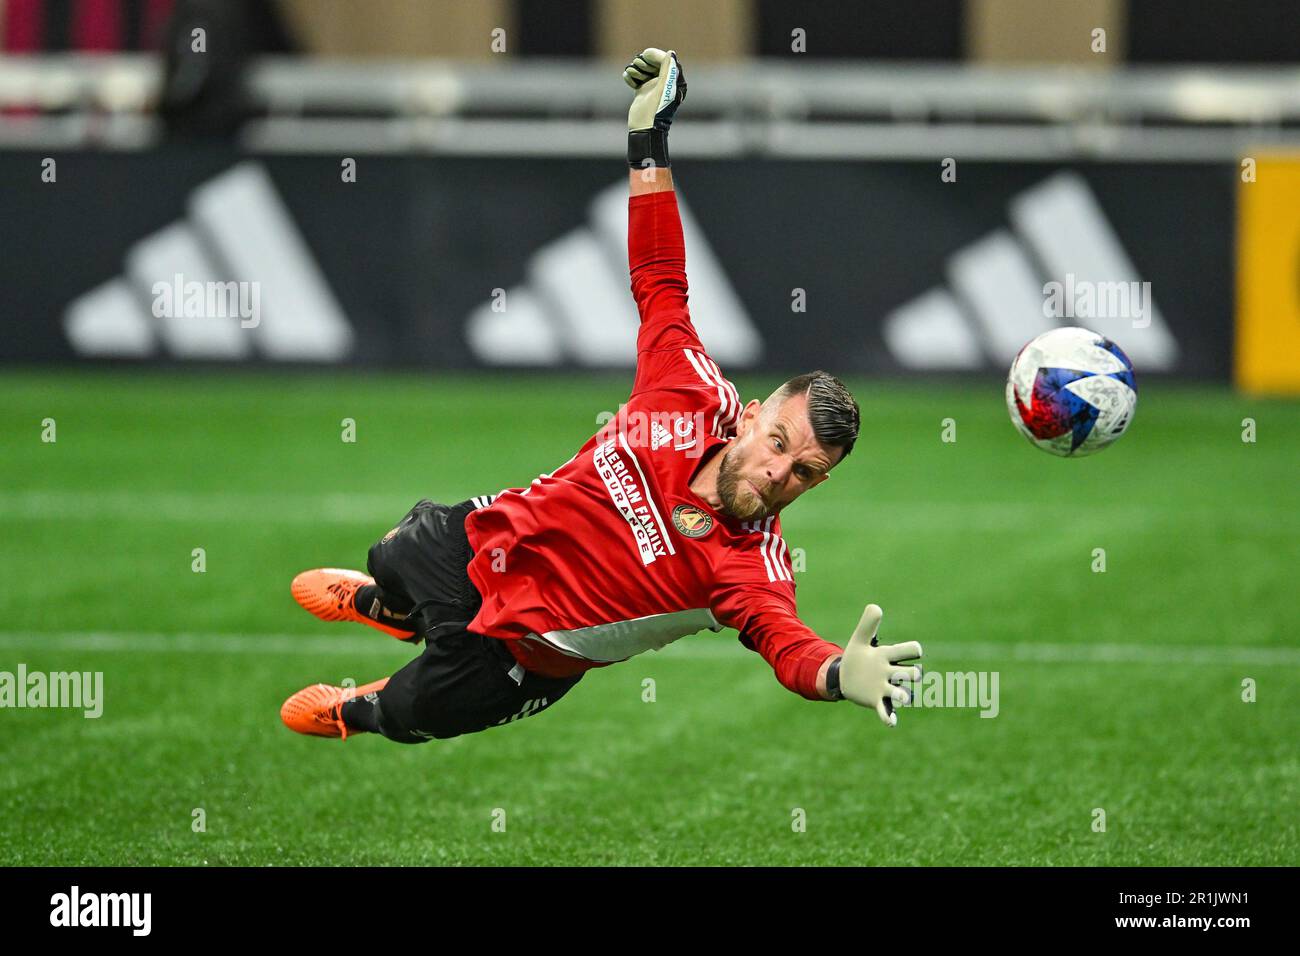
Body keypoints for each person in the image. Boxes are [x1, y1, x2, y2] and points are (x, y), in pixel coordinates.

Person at [280, 47, 923, 743]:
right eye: (779, 444)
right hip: (481, 548)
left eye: (804, 473)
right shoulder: (686, 387)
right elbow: (659, 275)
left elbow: (788, 646)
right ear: (753, 415)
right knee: (396, 552)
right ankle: (393, 608)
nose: (778, 474)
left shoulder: (749, 568)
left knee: (401, 714)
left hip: (519, 661)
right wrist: (648, 144)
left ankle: (362, 707)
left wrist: (834, 674)